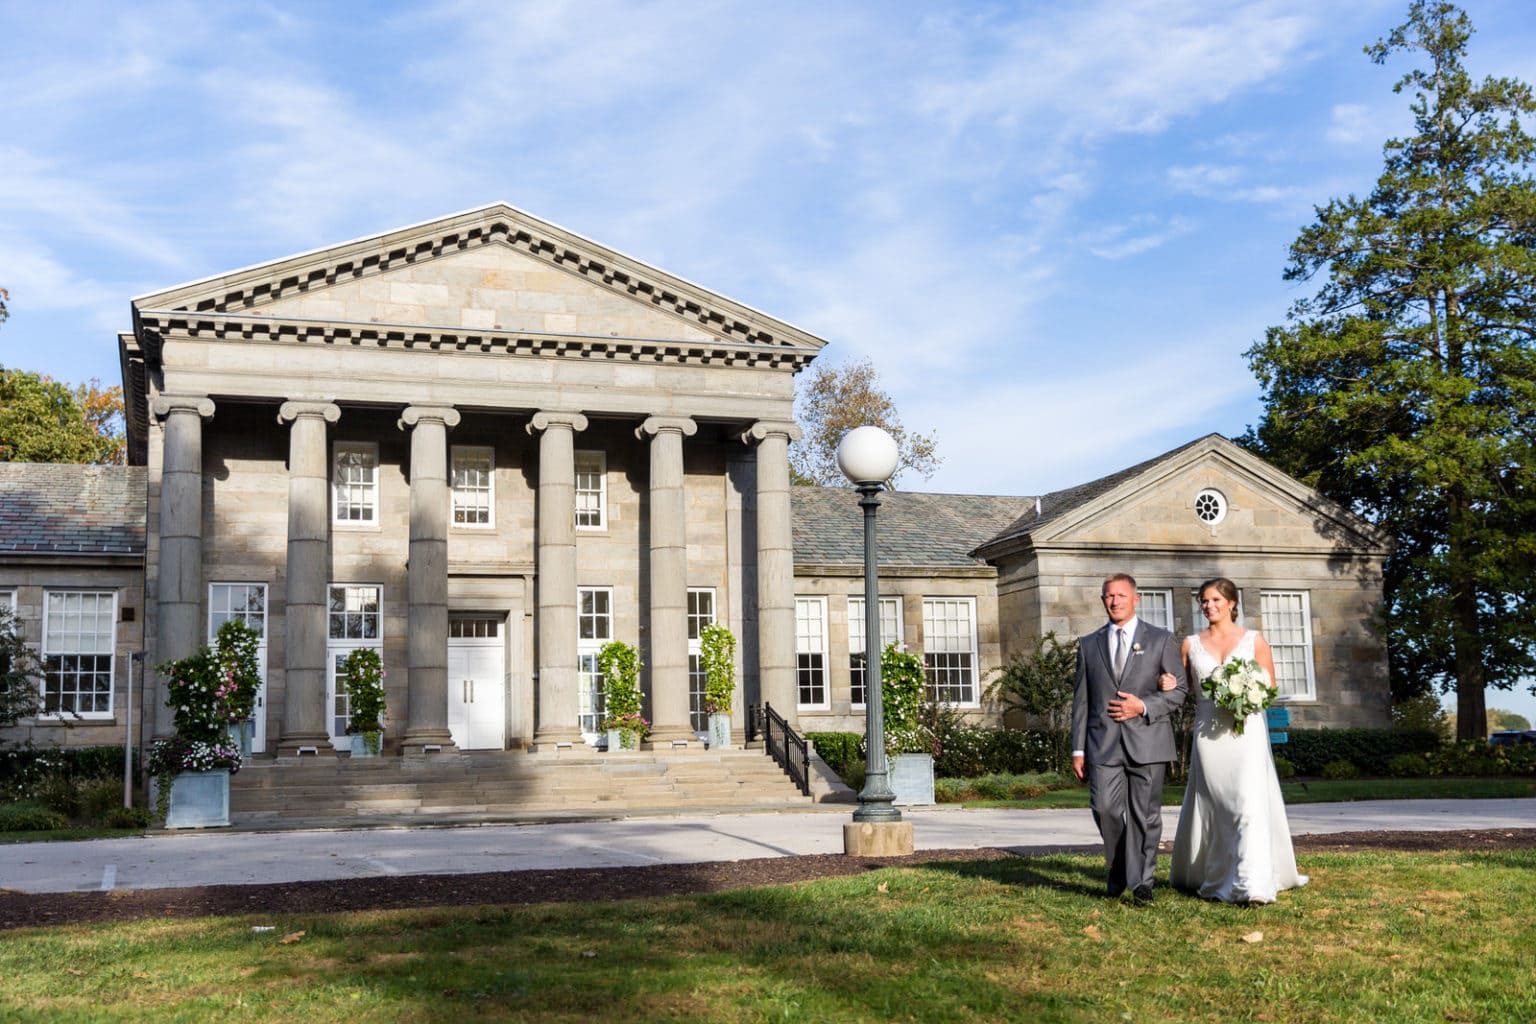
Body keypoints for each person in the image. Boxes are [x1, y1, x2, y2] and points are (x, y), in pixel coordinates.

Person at [1169, 577, 1309, 905]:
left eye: (1216, 600)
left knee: (1247, 802)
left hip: (1246, 732)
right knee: (1218, 805)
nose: (1209, 606)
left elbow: (1268, 687)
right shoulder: (1190, 643)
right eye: (1204, 601)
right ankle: (1216, 875)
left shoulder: (1254, 641)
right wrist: (1165, 681)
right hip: (1208, 734)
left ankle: (1252, 883)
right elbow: (1182, 687)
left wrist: (1247, 694)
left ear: (1232, 603)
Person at [1071, 573, 1187, 905]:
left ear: (1136, 599)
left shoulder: (1161, 639)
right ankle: (1120, 865)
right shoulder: (1088, 644)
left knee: (1145, 815)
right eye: (1108, 595)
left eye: (1121, 595)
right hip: (1102, 743)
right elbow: (1081, 702)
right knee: (1104, 807)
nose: (1115, 601)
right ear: (1103, 600)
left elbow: (1179, 690)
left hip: (1148, 742)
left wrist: (1144, 706)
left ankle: (1141, 883)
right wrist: (1078, 749)